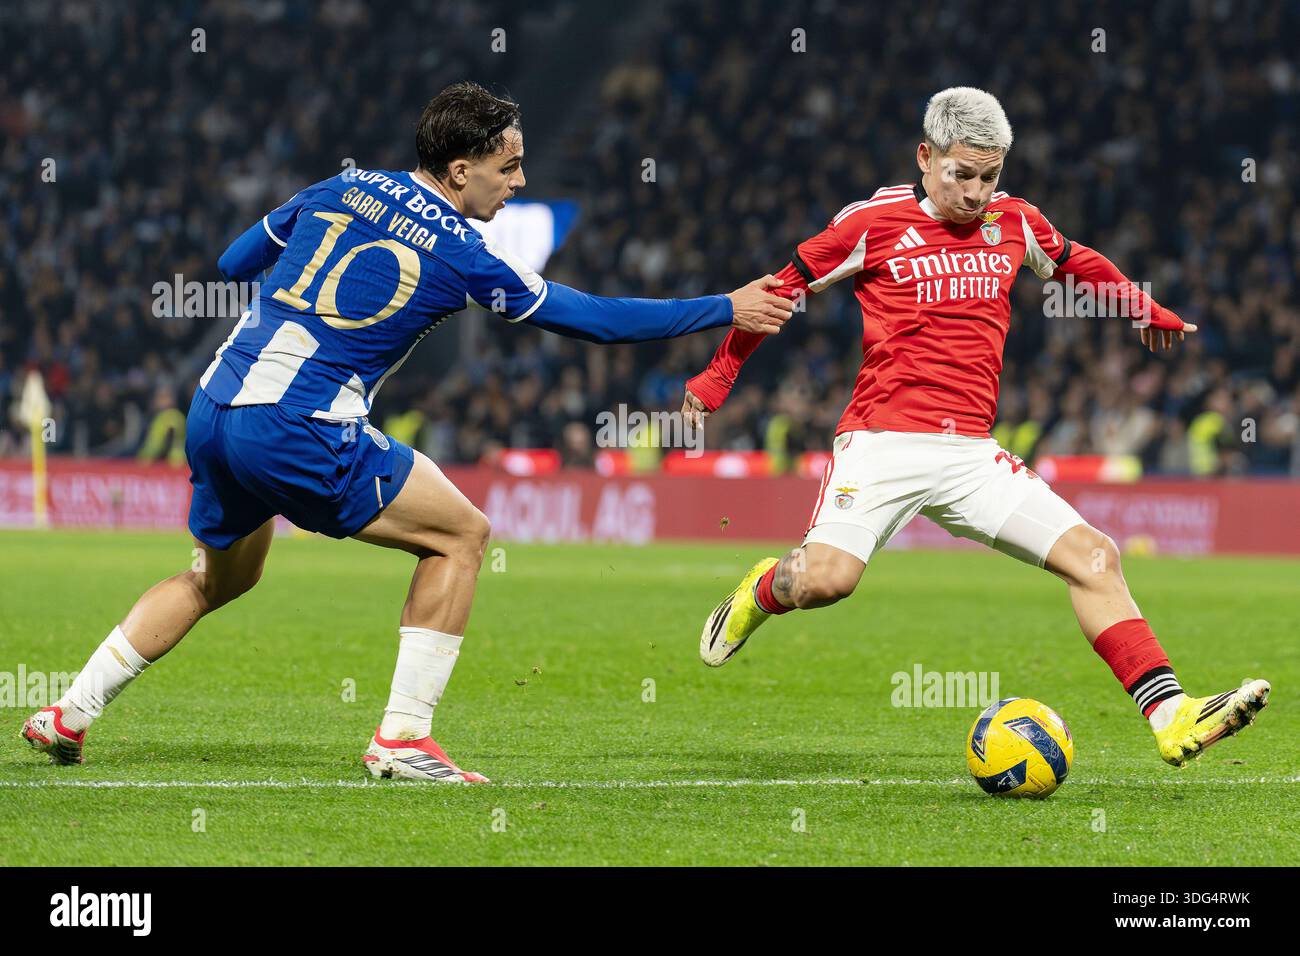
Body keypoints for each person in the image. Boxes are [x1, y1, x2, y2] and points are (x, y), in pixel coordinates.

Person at [22, 81, 793, 783]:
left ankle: (67, 716)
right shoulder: (463, 253)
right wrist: (724, 305)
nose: (520, 181)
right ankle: (402, 737)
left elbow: (232, 262)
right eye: (508, 167)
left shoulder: (342, 184)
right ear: (458, 171)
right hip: (299, 424)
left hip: (215, 407)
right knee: (462, 536)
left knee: (215, 579)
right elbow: (588, 319)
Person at [685, 87, 1268, 771]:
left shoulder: (1013, 222)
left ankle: (1172, 717)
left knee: (1097, 557)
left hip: (972, 454)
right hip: (882, 442)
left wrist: (1142, 306)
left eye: (990, 176)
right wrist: (718, 377)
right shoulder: (871, 222)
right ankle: (762, 590)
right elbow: (778, 291)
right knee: (825, 583)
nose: (976, 192)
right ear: (926, 157)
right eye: (962, 174)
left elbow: (1077, 260)